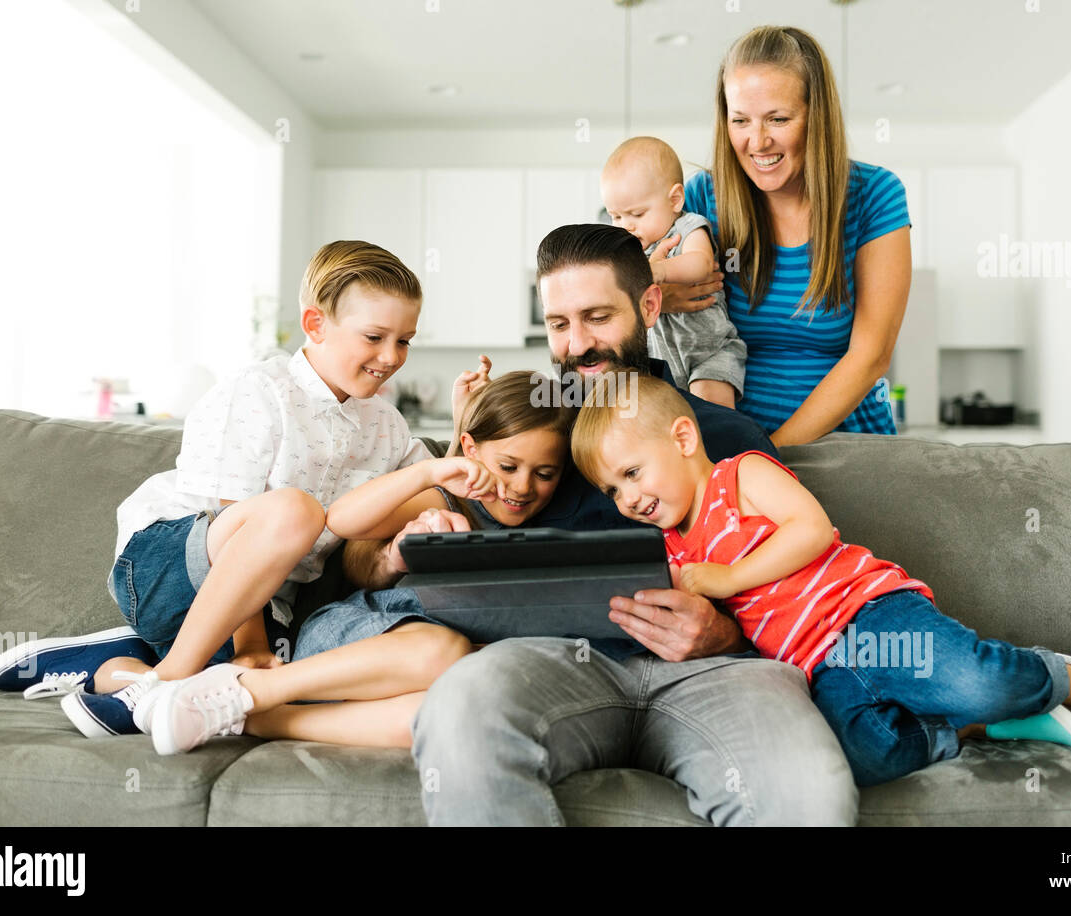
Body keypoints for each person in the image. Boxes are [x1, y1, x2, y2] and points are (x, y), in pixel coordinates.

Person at [340, 223, 861, 825]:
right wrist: (387, 559)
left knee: (806, 793)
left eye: (597, 317)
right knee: (458, 710)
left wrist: (723, 633)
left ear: (649, 305)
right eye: (559, 324)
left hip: (711, 672)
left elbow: (808, 574)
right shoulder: (521, 435)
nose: (578, 345)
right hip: (551, 665)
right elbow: (363, 549)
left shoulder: (721, 435)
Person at [569, 372, 1071, 786]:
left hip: (865, 618)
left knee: (973, 675)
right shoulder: (671, 548)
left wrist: (725, 578)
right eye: (611, 489)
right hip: (816, 669)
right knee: (862, 754)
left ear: (682, 438)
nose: (628, 497)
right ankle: (983, 724)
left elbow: (812, 531)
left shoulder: (741, 475)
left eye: (631, 472)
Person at [0, 240, 434, 740]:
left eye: (405, 340)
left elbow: (443, 486)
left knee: (271, 686)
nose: (392, 357)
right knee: (295, 512)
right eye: (375, 336)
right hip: (169, 568)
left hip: (271, 602)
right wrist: (249, 644)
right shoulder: (258, 391)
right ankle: (174, 671)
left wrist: (469, 422)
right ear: (315, 325)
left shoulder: (388, 427)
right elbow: (237, 525)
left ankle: (119, 667)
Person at [145, 369, 574, 754]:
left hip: (408, 677)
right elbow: (343, 519)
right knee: (442, 652)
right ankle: (255, 688)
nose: (521, 486)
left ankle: (256, 718)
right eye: (508, 466)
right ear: (470, 451)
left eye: (545, 474)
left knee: (451, 716)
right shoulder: (445, 496)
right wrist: (430, 473)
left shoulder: (553, 526)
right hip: (353, 638)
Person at [672, 25, 913, 446]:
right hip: (730, 453)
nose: (757, 142)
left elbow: (871, 356)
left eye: (778, 119)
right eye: (740, 120)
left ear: (815, 116)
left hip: (846, 448)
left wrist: (771, 453)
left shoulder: (875, 195)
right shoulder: (701, 199)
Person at [601, 135, 746, 409]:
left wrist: (658, 270)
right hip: (660, 361)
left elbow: (701, 264)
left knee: (711, 415)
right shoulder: (628, 251)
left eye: (637, 214)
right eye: (617, 217)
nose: (626, 226)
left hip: (710, 354)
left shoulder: (688, 227)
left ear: (675, 200)